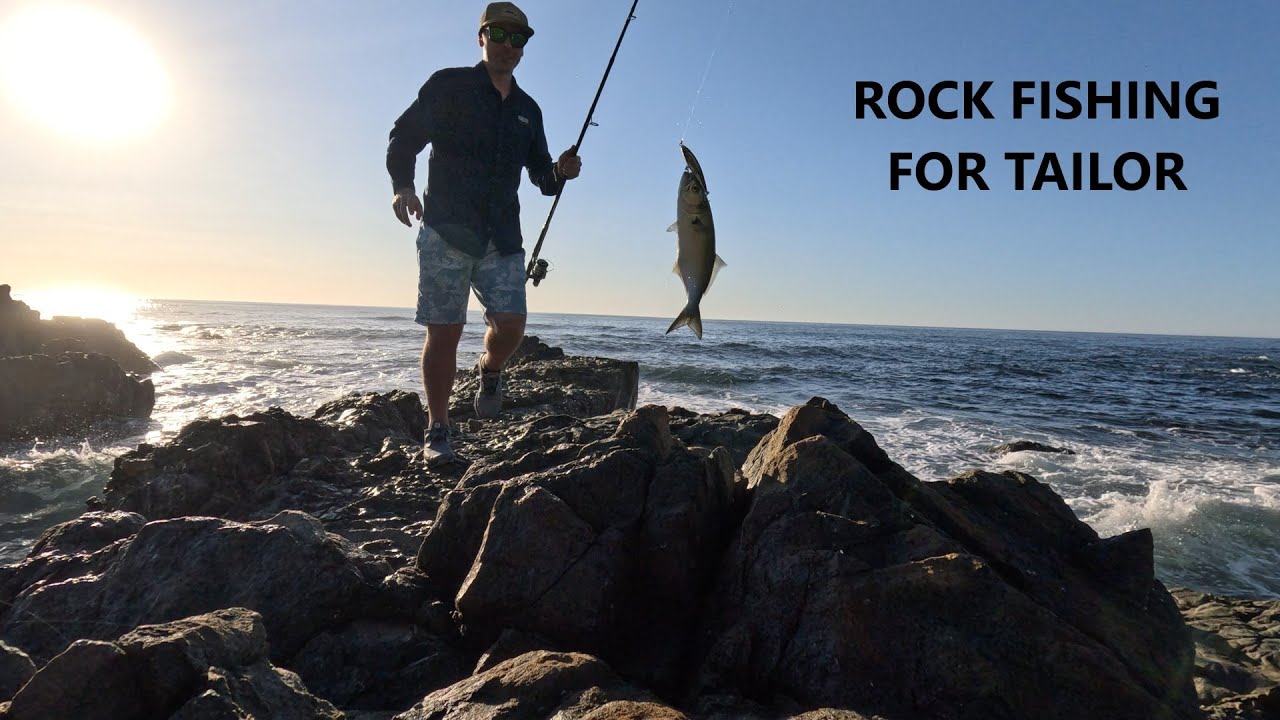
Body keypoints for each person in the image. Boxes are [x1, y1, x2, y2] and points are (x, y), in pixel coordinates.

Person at [387, 2, 581, 466]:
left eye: (518, 40)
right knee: (445, 332)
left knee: (512, 324)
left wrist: (560, 171)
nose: (507, 47)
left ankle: (490, 369)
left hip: (502, 237)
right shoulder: (448, 85)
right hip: (446, 230)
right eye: (499, 35)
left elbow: (541, 178)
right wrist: (403, 187)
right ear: (481, 37)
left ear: (524, 48)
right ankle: (438, 429)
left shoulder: (528, 111)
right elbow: (404, 136)